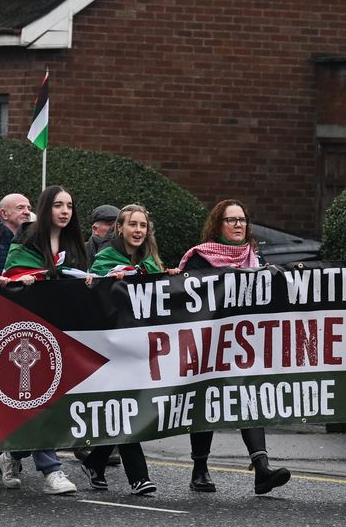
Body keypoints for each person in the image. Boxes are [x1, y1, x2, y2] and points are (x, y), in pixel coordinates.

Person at [177, 198, 292, 495]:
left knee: (249, 396)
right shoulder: (200, 258)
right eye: (232, 220)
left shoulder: (254, 258)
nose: (239, 225)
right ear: (219, 225)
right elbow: (190, 299)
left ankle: (262, 468)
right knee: (205, 401)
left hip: (242, 347)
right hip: (208, 346)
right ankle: (200, 469)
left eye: (242, 219)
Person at [0, 186, 85, 491]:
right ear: (46, 208)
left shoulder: (74, 244)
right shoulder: (26, 240)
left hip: (64, 331)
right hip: (31, 333)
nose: (65, 211)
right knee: (40, 401)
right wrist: (25, 281)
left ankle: (12, 453)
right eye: (58, 205)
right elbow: (10, 279)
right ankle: (51, 469)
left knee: (51, 403)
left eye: (69, 205)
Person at [83, 203, 168, 495]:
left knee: (130, 406)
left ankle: (95, 462)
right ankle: (139, 476)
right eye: (133, 224)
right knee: (127, 405)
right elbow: (92, 295)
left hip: (142, 346)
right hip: (113, 346)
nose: (138, 230)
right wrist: (111, 284)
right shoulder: (105, 259)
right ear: (120, 228)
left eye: (143, 225)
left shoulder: (151, 261)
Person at [0, 193, 30, 272]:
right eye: (20, 208)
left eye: (29, 208)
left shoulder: (34, 240)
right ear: (4, 214)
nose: (27, 212)